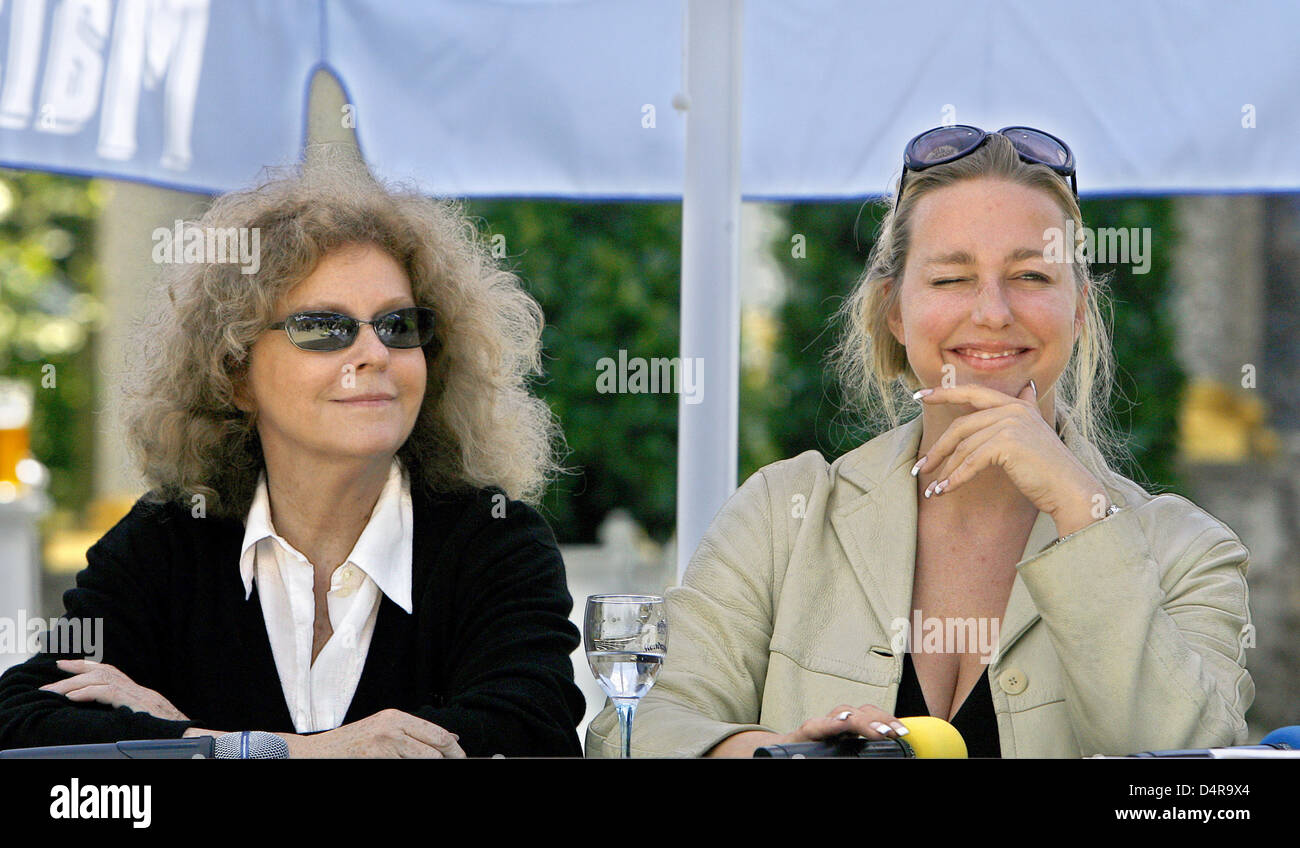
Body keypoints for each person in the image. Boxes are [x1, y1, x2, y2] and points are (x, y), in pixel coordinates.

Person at [586, 126, 1254, 758]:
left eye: (1030, 275)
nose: (992, 311)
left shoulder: (1187, 552)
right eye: (950, 278)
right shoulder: (781, 516)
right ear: (895, 310)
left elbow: (1193, 777)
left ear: (1077, 308)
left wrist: (1081, 512)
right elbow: (631, 726)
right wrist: (776, 753)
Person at [0, 154, 586, 757]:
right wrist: (307, 751)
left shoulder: (494, 541)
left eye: (398, 325)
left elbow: (529, 738)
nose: (373, 353)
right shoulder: (169, 538)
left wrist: (191, 743)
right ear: (235, 374)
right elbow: (22, 722)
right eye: (323, 327)